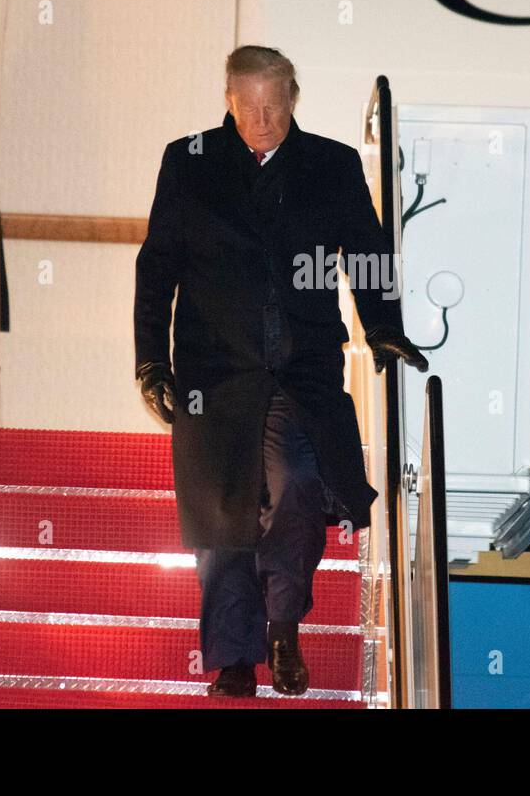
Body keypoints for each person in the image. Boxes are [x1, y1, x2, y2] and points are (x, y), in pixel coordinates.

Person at [134, 45, 428, 697]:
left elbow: (369, 251)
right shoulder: (189, 163)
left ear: (294, 94)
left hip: (304, 369)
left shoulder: (332, 164)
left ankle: (283, 624)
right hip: (214, 372)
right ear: (229, 102)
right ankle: (233, 660)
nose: (263, 120)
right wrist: (151, 359)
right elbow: (156, 268)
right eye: (249, 108)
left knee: (297, 481)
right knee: (220, 518)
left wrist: (383, 326)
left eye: (275, 104)